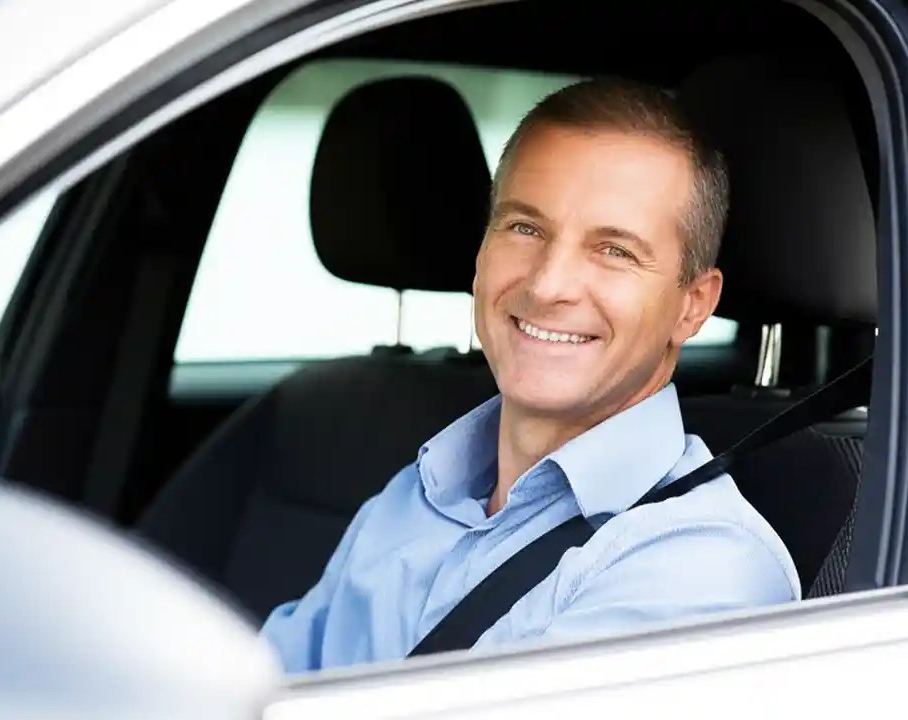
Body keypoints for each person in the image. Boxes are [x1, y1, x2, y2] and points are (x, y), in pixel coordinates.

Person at [260, 78, 799, 674]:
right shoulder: (415, 493)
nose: (547, 285)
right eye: (525, 228)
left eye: (614, 250)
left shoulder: (699, 567)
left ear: (692, 306)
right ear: (481, 255)